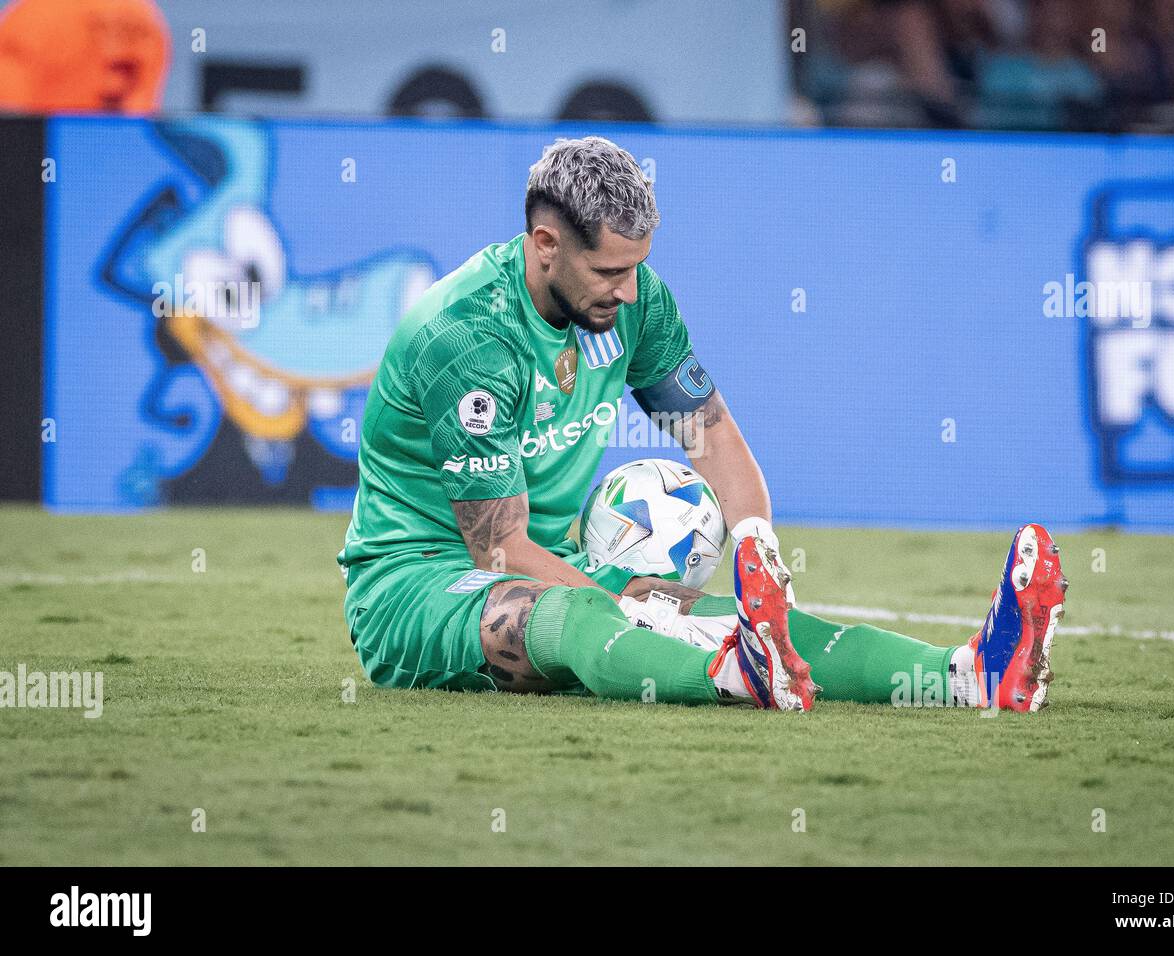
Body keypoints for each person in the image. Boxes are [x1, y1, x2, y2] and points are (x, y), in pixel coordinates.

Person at [337, 136, 1067, 712]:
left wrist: (757, 554)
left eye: (637, 268)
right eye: (608, 272)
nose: (629, 291)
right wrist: (634, 607)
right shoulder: (468, 337)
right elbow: (498, 549)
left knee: (728, 615)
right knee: (583, 614)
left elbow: (709, 433)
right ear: (546, 244)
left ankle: (973, 675)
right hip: (419, 586)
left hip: (550, 561)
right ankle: (731, 677)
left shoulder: (634, 301)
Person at [0, 0, 169, 116]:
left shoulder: (31, 18)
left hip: (48, 153)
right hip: (125, 154)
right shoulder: (146, 16)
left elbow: (11, 118)